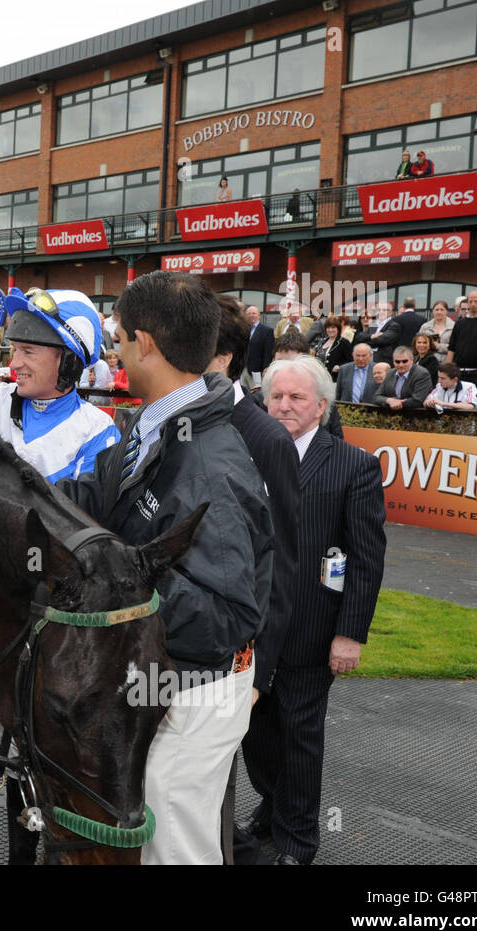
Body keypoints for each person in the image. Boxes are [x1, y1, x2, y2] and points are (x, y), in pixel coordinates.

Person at [57, 271, 273, 865]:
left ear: (145, 343)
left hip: (192, 696)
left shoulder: (208, 464)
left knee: (172, 849)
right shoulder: (153, 421)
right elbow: (92, 496)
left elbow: (225, 617)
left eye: (119, 338)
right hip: (156, 685)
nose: (114, 351)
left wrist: (113, 580)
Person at [0, 286, 120, 866]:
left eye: (35, 347)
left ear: (72, 358)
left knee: (32, 748)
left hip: (45, 628)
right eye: (15, 343)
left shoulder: (98, 431)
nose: (18, 356)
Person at [243, 355, 386, 865]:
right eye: (276, 397)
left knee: (300, 739)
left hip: (311, 628)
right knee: (256, 735)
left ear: (321, 406)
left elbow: (366, 558)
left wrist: (350, 634)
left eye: (296, 397)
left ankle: (297, 844)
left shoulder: (354, 465)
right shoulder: (246, 453)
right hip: (251, 630)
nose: (284, 406)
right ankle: (272, 806)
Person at [208, 296, 301, 865]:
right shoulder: (171, 418)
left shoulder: (265, 437)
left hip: (240, 653)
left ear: (221, 357)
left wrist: (261, 668)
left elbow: (286, 560)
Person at [447, 291, 477, 405]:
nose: (473, 304)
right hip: (459, 372)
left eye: (476, 301)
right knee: (457, 403)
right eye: (470, 301)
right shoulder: (459, 323)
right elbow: (452, 347)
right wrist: (447, 368)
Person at [245, 305, 274, 389]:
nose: (251, 315)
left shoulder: (267, 331)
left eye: (254, 313)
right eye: (249, 313)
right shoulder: (243, 330)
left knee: (256, 393)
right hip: (243, 369)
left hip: (257, 370)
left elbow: (268, 352)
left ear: (259, 316)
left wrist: (265, 369)